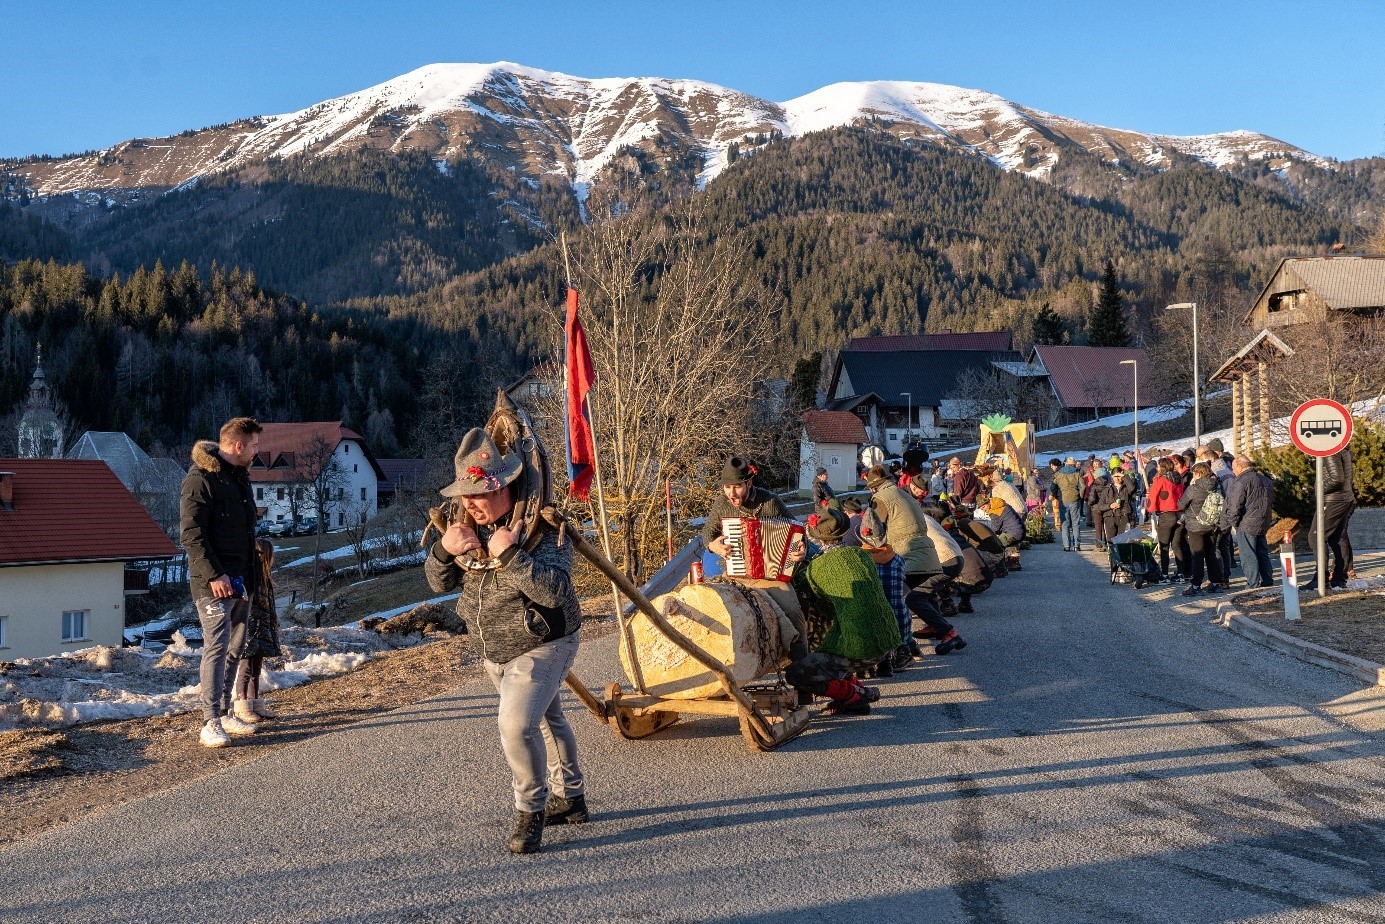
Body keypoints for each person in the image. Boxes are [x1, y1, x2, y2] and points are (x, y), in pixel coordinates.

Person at [425, 428, 586, 855]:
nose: (471, 503)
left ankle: (530, 811)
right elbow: (440, 582)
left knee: (515, 726)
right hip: (494, 648)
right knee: (546, 719)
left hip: (546, 639)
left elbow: (556, 592)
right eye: (466, 494)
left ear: (504, 487)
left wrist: (510, 555)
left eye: (479, 493)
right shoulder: (466, 527)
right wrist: (443, 552)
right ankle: (571, 798)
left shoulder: (544, 525)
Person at [181, 416, 263, 748]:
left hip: (243, 579)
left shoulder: (238, 478)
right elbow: (191, 535)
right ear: (239, 445)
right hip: (213, 582)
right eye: (255, 445)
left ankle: (226, 712)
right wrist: (215, 574)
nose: (258, 452)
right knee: (216, 647)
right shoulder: (200, 480)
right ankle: (209, 721)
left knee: (235, 646)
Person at [788, 508, 898, 714]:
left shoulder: (816, 568)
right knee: (830, 653)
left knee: (797, 673)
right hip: (889, 637)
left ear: (815, 537)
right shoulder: (861, 554)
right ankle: (854, 695)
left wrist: (800, 568)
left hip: (862, 646)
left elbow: (825, 611)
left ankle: (856, 695)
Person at [865, 466, 965, 654]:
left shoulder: (881, 499)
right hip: (927, 554)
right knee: (916, 596)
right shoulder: (905, 496)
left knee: (895, 600)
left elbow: (875, 532)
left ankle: (907, 647)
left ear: (874, 486)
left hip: (908, 555)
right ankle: (941, 633)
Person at [232, 538, 282, 724]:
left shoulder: (264, 577)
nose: (262, 558)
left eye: (264, 554)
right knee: (245, 667)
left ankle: (255, 703)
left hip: (262, 628)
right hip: (249, 627)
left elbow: (268, 604)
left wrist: (272, 624)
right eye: (259, 554)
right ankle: (241, 703)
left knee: (256, 668)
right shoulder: (248, 575)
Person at [702, 457, 793, 560]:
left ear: (749, 484)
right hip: (734, 563)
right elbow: (708, 531)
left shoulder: (770, 501)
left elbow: (797, 530)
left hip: (772, 563)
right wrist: (711, 545)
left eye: (737, 487)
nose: (732, 493)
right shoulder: (722, 504)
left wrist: (800, 547)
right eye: (727, 487)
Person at [1221, 455, 1275, 589]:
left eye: (1233, 468)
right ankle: (1267, 579)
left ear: (1239, 467)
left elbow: (1234, 507)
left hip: (1246, 523)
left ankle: (1252, 583)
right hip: (1263, 521)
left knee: (1248, 554)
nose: (1233, 472)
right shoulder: (1265, 480)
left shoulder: (1241, 482)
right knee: (1262, 552)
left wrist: (1235, 523)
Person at [1310, 445, 1356, 589]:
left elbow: (1337, 479)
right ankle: (1339, 578)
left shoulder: (1330, 449)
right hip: (1344, 498)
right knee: (1338, 538)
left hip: (1334, 499)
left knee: (1315, 536)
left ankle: (1321, 579)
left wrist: (1319, 490)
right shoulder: (1342, 449)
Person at [1179, 461, 1225, 596]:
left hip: (1196, 526)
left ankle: (1195, 585)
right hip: (1213, 525)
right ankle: (1215, 583)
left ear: (1198, 474)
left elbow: (1181, 505)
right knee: (1211, 554)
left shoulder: (1193, 489)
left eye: (1194, 473)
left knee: (1197, 555)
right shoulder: (1216, 486)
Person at [1147, 457, 1188, 583]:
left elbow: (1153, 496)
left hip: (1166, 514)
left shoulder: (1160, 480)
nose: (1157, 468)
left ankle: (1164, 575)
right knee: (1176, 545)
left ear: (1162, 467)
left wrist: (1150, 508)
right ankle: (1181, 573)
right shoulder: (1179, 478)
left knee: (1164, 546)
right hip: (1179, 514)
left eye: (1159, 466)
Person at [1052, 457, 1084, 551]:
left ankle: (1066, 546)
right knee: (1075, 523)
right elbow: (1083, 486)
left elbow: (1053, 487)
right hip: (1075, 499)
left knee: (1065, 523)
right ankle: (1076, 545)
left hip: (1063, 499)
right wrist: (1080, 496)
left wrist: (1056, 496)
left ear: (1065, 463)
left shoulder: (1058, 474)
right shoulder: (1077, 474)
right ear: (1074, 464)